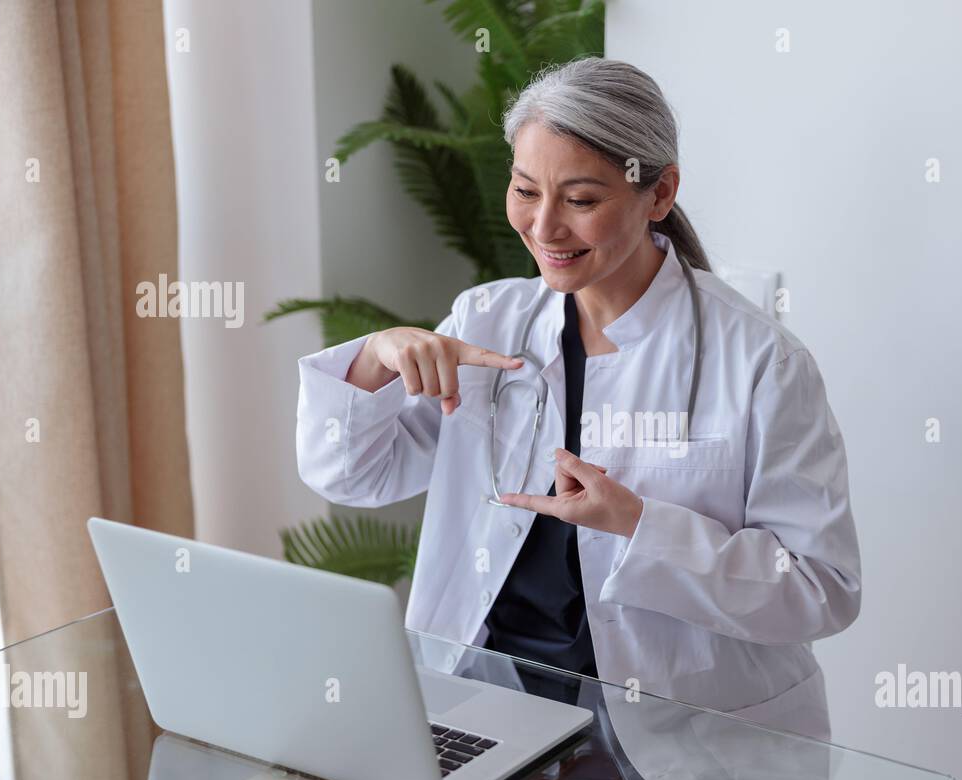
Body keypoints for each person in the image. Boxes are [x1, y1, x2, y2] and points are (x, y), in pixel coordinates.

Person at [296, 57, 861, 739]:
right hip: (483, 710)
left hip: (675, 742)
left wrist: (639, 524)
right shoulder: (486, 323)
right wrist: (375, 358)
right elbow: (352, 474)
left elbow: (820, 591)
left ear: (659, 193)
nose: (543, 227)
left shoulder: (761, 362)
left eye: (582, 200)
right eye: (525, 190)